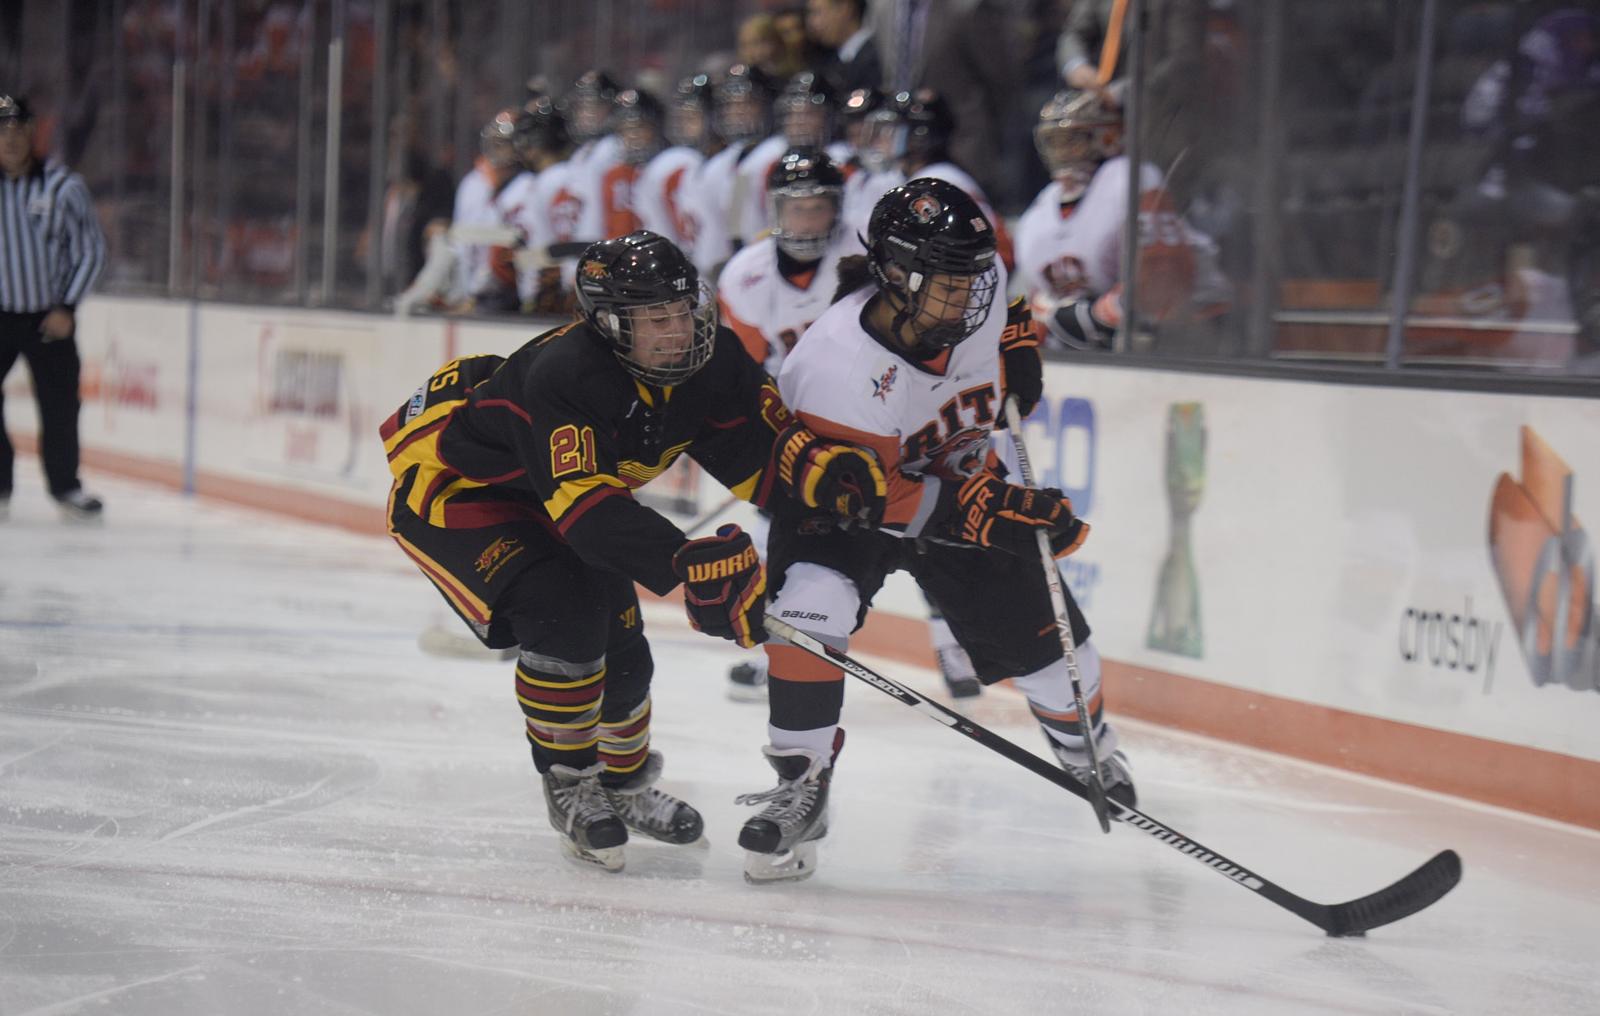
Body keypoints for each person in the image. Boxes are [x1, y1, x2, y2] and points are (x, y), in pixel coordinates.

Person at [380, 230, 885, 872]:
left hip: (568, 501)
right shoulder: (567, 374)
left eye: (682, 310)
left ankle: (623, 784)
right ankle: (569, 780)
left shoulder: (712, 360)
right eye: (654, 319)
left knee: (624, 648)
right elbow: (589, 516)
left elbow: (757, 457)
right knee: (565, 613)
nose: (677, 331)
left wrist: (820, 483)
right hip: (465, 498)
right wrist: (686, 562)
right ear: (608, 325)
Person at [736, 178, 1136, 883]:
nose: (971, 297)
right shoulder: (835, 367)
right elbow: (875, 499)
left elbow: (1007, 307)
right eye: (951, 284)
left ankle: (1090, 750)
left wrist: (1018, 344)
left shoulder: (978, 284)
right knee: (806, 608)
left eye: (976, 278)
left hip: (962, 472)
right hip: (846, 505)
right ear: (895, 276)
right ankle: (802, 779)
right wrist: (983, 511)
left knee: (1053, 657)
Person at [715, 149, 863, 702]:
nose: (807, 219)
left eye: (818, 207)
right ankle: (776, 651)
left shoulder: (864, 258)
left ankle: (950, 644)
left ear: (837, 209)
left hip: (867, 418)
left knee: (909, 531)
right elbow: (747, 373)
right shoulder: (744, 275)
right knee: (781, 535)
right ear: (776, 210)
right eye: (796, 208)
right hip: (794, 426)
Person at [1016, 89, 1226, 350]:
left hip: (1191, 333)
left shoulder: (1132, 178)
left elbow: (1162, 278)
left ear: (1108, 137)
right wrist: (1051, 317)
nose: (1061, 152)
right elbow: (1036, 296)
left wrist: (1094, 316)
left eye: (1072, 140)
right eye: (1054, 142)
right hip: (1096, 342)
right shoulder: (1044, 203)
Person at [0, 94, 106, 523]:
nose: (9, 139)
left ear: (31, 133)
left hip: (48, 316)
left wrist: (67, 305)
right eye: (1, 130)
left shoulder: (63, 187)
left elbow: (91, 250)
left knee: (60, 404)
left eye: (17, 129)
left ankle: (66, 487)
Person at [807, 0, 881, 95]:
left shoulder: (876, 57)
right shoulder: (831, 59)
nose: (813, 23)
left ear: (844, 9)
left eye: (818, 12)